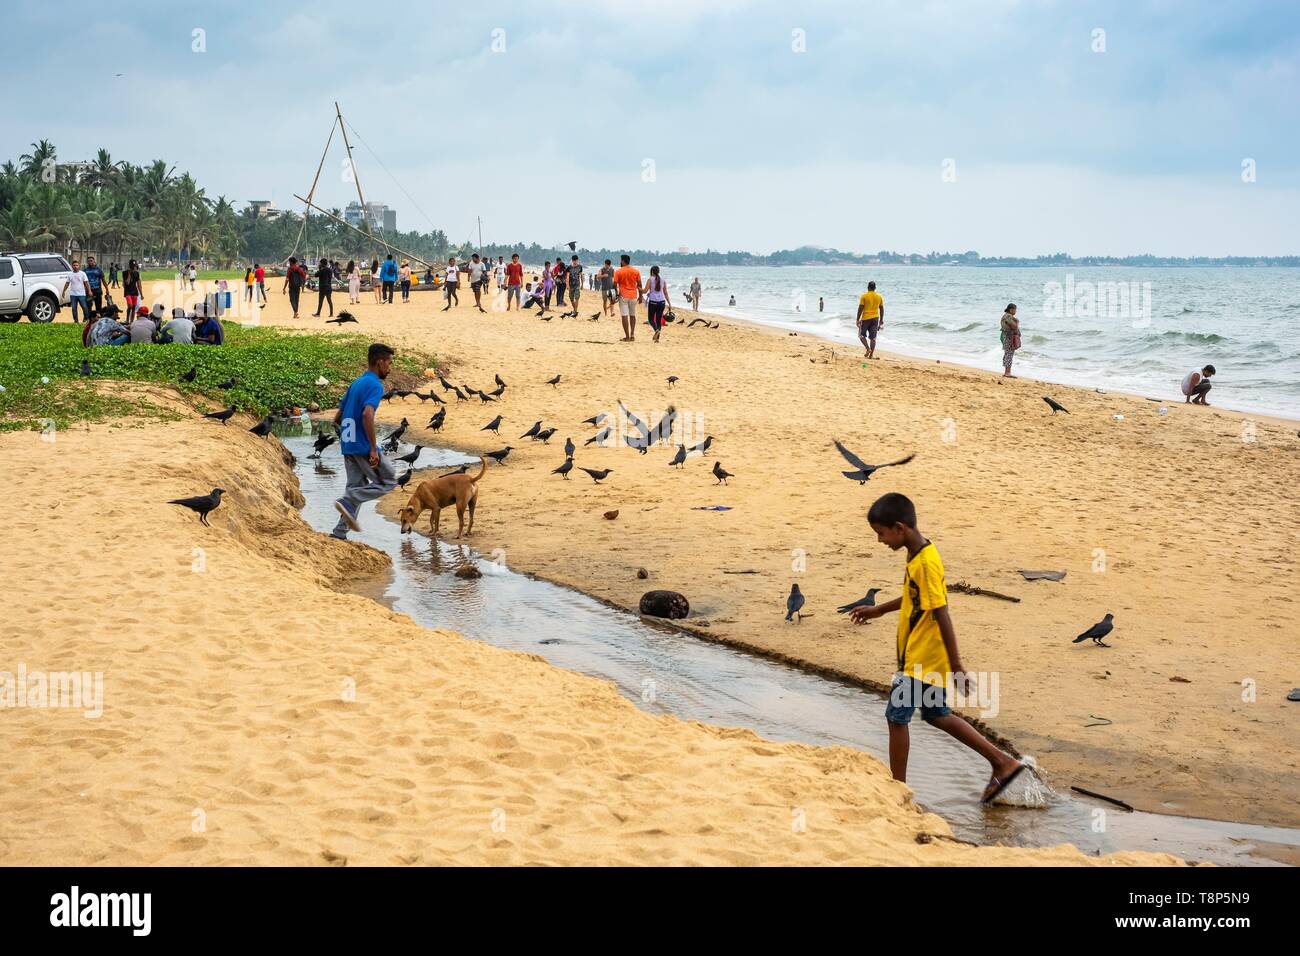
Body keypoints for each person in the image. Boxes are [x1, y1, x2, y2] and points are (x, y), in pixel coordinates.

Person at [850, 492, 1027, 803]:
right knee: (936, 713)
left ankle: (898, 790)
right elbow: (916, 598)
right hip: (922, 655)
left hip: (921, 657)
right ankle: (1002, 762)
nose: (880, 541)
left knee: (896, 717)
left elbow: (941, 611)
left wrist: (956, 665)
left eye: (881, 533)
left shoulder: (926, 563)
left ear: (900, 527)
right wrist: (879, 610)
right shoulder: (918, 554)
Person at [331, 343, 399, 540]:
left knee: (356, 487)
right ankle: (349, 500)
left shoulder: (357, 383)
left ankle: (339, 533)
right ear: (380, 362)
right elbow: (367, 415)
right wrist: (372, 449)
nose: (390, 368)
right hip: (361, 445)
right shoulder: (375, 385)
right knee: (389, 480)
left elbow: (338, 417)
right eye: (389, 363)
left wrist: (344, 435)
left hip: (348, 443)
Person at [613, 254, 642, 342]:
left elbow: (614, 285)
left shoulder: (618, 272)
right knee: (632, 315)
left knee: (624, 316)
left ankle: (627, 336)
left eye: (621, 260)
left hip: (623, 296)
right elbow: (640, 285)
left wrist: (614, 297)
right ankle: (632, 334)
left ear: (622, 261)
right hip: (633, 296)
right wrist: (641, 297)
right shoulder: (636, 271)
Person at [856, 280, 884, 359]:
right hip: (875, 318)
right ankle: (871, 355)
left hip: (865, 318)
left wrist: (857, 319)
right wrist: (881, 320)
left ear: (868, 287)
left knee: (861, 335)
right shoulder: (879, 297)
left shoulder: (864, 296)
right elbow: (881, 309)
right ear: (875, 288)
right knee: (873, 338)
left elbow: (860, 308)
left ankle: (868, 349)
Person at [642, 265, 670, 342]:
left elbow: (644, 291)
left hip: (653, 302)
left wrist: (639, 288)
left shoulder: (650, 279)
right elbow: (665, 292)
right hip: (662, 302)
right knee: (658, 320)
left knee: (650, 319)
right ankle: (657, 339)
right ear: (658, 271)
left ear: (651, 272)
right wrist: (669, 303)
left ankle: (656, 330)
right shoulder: (663, 280)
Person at [63, 258, 92, 324]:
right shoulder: (70, 274)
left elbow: (86, 283)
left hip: (82, 294)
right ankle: (76, 320)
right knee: (74, 308)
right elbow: (67, 283)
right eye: (74, 265)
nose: (75, 266)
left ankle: (85, 319)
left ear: (79, 266)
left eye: (77, 265)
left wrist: (89, 291)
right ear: (72, 266)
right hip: (73, 294)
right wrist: (63, 291)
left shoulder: (83, 274)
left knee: (84, 307)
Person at [999, 304, 1021, 377]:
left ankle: (1007, 372)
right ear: (1011, 309)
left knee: (1008, 353)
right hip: (1009, 337)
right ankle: (1007, 373)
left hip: (1006, 336)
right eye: (1015, 309)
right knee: (1009, 354)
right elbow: (1014, 326)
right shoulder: (1008, 316)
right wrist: (1017, 322)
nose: (1015, 311)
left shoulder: (1005, 316)